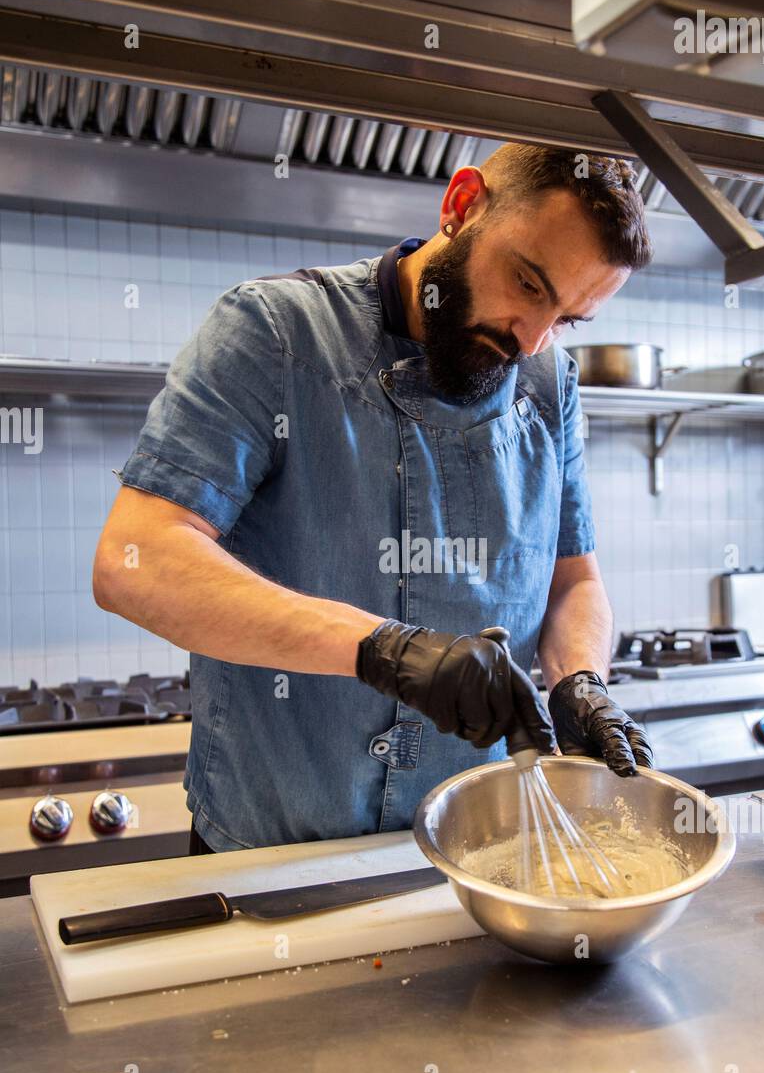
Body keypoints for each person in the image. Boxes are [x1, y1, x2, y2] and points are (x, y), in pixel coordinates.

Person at [93, 143, 653, 855]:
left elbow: (575, 579)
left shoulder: (551, 382)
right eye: (528, 284)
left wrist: (580, 680)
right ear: (460, 205)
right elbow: (132, 561)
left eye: (569, 318)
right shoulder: (276, 331)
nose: (531, 340)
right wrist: (383, 651)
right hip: (272, 849)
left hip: (475, 850)